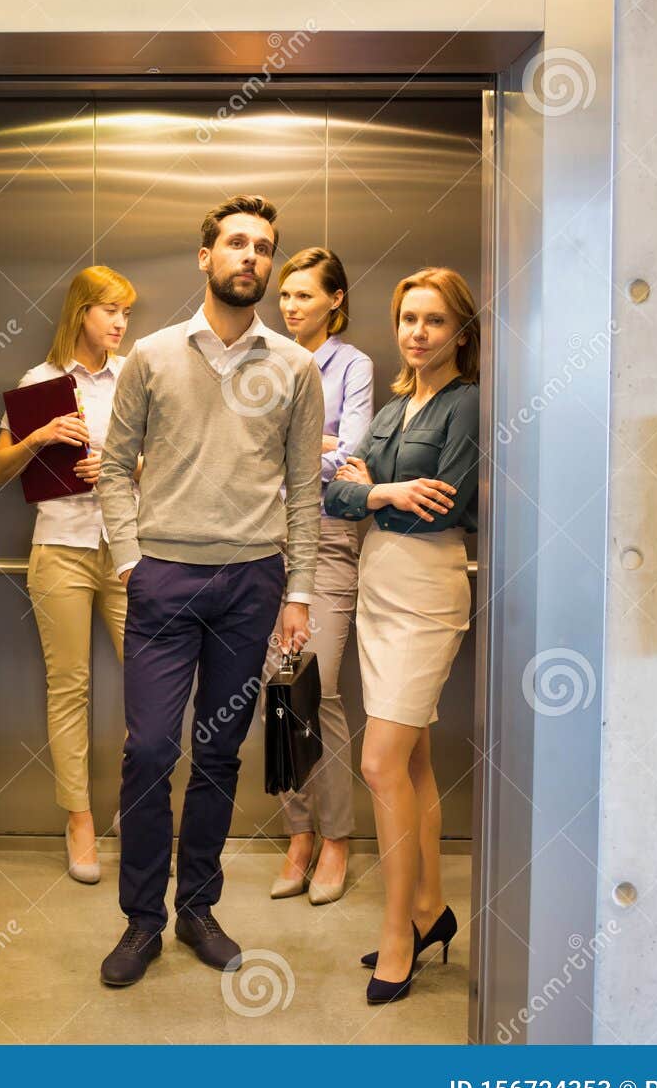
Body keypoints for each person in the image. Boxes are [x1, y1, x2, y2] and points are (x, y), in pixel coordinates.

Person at [94, 195, 323, 987]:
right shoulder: (151, 356)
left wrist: (299, 592)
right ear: (206, 256)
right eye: (235, 242)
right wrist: (131, 560)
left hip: (252, 582)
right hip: (163, 577)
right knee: (151, 750)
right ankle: (141, 920)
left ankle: (196, 907)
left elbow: (304, 489)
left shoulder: (294, 367)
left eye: (263, 246)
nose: (249, 256)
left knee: (219, 752)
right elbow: (114, 466)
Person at [323, 266, 480, 1003]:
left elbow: (446, 503)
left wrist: (368, 491)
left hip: (426, 592)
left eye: (435, 320)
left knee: (379, 761)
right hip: (377, 586)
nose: (418, 333)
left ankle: (398, 936)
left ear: (461, 332)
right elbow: (336, 491)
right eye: (408, 319)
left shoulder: (468, 404)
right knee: (412, 762)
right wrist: (383, 491)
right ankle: (428, 909)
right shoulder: (392, 408)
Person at [0, 266, 138, 884]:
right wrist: (42, 436)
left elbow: (170, 457)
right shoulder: (42, 381)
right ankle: (79, 819)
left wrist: (121, 466)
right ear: (82, 312)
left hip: (128, 549)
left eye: (126, 312)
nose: (121, 322)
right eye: (111, 310)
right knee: (69, 686)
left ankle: (139, 808)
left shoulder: (135, 374)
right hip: (61, 546)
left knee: (152, 684)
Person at [268, 247, 373, 906]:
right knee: (280, 690)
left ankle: (337, 836)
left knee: (321, 686)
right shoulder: (266, 360)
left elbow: (353, 454)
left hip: (328, 537)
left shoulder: (352, 365)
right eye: (285, 295)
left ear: (335, 300)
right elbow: (244, 449)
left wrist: (297, 452)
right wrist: (316, 447)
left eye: (304, 295)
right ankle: (299, 834)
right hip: (263, 540)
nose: (290, 306)